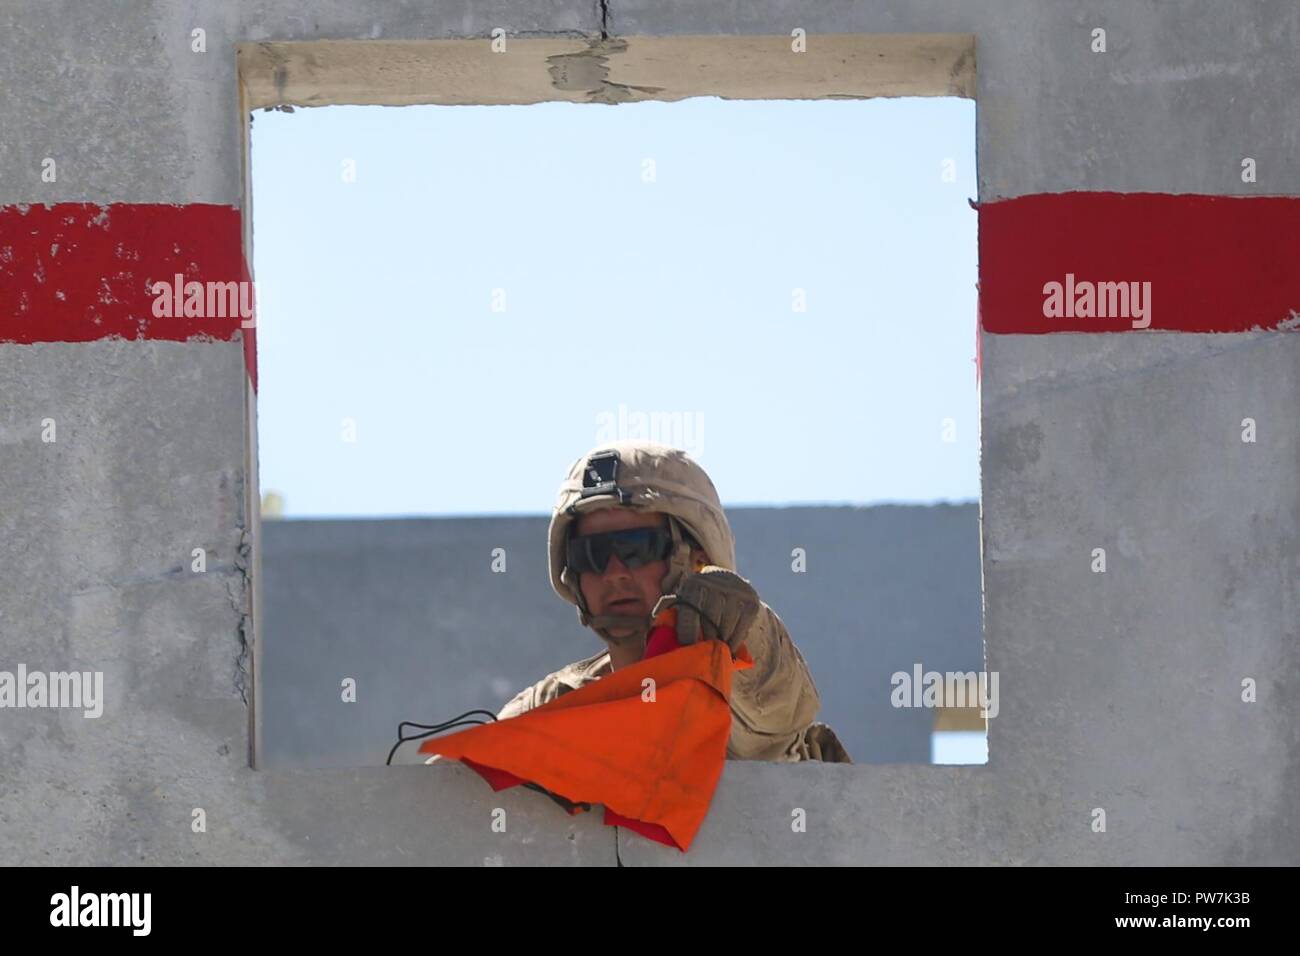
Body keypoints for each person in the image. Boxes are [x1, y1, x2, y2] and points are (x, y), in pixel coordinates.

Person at [485, 439, 851, 764]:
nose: (614, 573)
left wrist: (725, 620)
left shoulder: (742, 664)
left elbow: (773, 699)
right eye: (590, 554)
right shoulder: (549, 710)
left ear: (697, 556)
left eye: (637, 548)